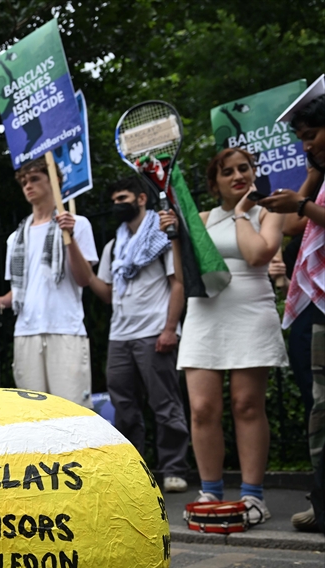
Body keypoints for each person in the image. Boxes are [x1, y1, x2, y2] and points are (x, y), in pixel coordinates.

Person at [179, 147, 287, 525]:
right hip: (205, 317)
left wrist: (242, 214)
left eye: (244, 169)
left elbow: (259, 254)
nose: (238, 175)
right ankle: (210, 489)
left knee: (246, 405)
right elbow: (183, 273)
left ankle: (253, 496)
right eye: (228, 172)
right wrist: (176, 236)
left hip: (250, 314)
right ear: (215, 182)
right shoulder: (202, 219)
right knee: (203, 409)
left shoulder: (268, 212)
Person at [86, 175, 189, 493]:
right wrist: (80, 265)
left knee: (165, 404)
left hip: (154, 331)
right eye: (114, 200)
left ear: (141, 198)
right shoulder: (114, 246)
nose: (117, 205)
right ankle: (134, 470)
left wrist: (170, 328)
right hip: (120, 336)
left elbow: (178, 283)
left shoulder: (161, 235)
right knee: (124, 406)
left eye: (123, 198)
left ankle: (174, 468)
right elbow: (106, 293)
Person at [258, 92, 325, 531]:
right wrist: (309, 180)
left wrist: (300, 205)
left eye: (312, 135)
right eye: (301, 138)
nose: (306, 145)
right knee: (319, 406)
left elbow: (303, 215)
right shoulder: (319, 176)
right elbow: (296, 225)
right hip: (316, 304)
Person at [0, 157, 99, 406]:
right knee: (34, 417)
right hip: (26, 332)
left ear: (55, 181)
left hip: (65, 329)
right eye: (24, 181)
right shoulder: (15, 238)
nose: (28, 186)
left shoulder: (78, 223)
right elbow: (19, 291)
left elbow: (84, 279)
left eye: (35, 179)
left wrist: (70, 237)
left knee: (72, 414)